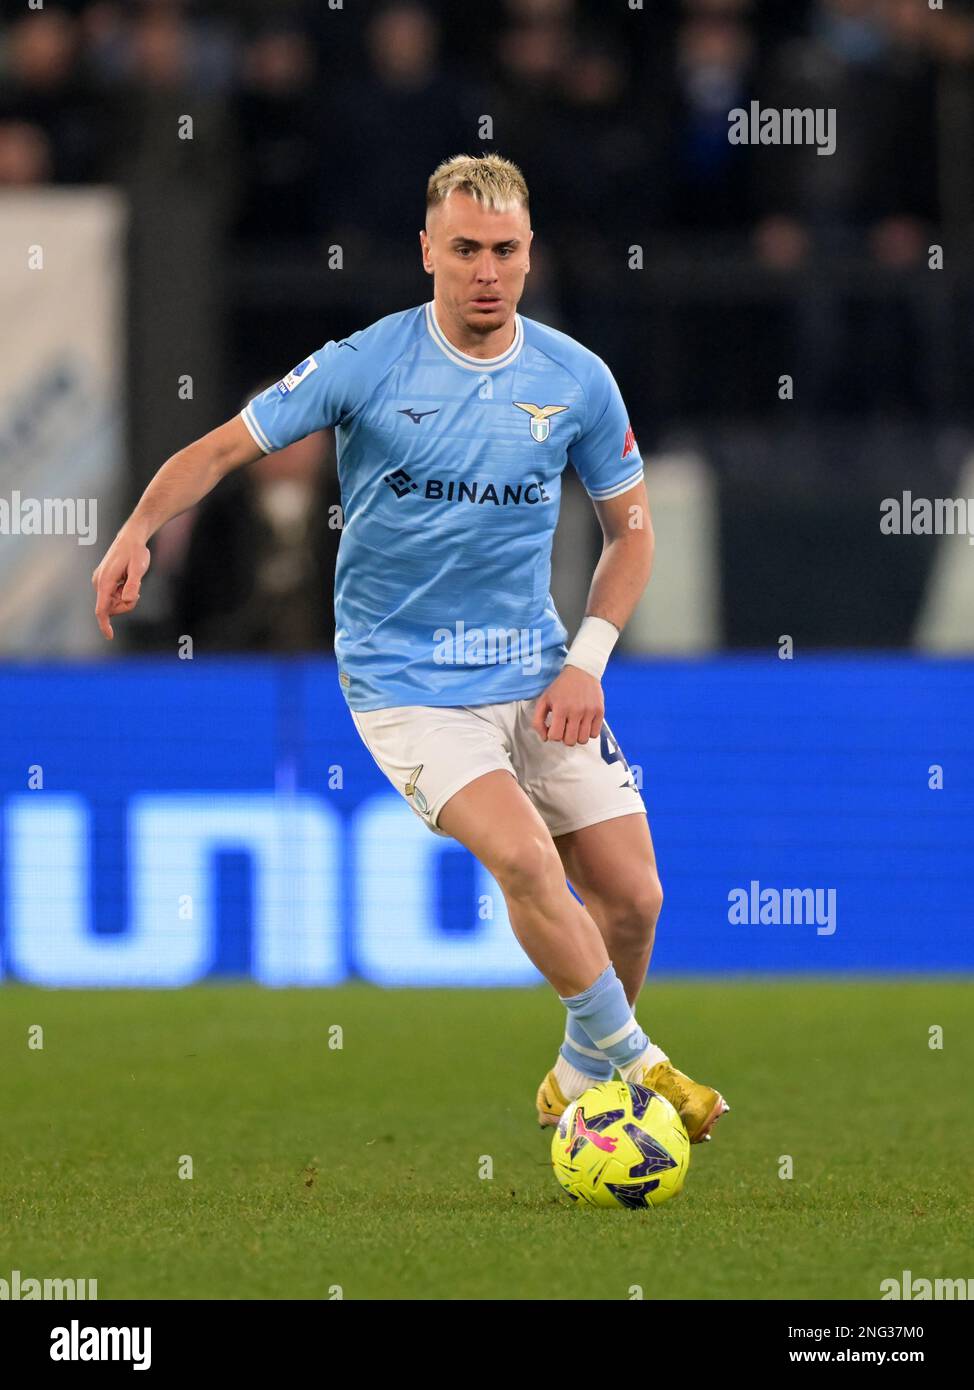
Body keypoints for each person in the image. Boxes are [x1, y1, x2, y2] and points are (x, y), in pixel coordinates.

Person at [91, 153, 729, 1148]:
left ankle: (573, 1069)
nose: (486, 270)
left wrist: (586, 661)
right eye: (465, 249)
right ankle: (642, 1066)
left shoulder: (576, 380)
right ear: (427, 250)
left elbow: (631, 533)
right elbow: (218, 448)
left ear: (529, 255)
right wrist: (135, 530)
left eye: (505, 251)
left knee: (635, 897)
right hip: (405, 683)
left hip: (535, 669)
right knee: (521, 856)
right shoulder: (366, 363)